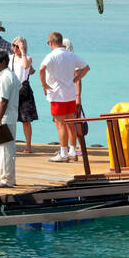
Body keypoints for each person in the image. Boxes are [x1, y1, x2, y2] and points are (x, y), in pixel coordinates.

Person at [39, 32, 89, 163]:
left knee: (60, 125)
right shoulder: (71, 55)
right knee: (70, 124)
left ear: (51, 43)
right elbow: (86, 67)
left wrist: (44, 84)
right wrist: (77, 78)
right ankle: (72, 151)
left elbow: (41, 69)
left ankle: (63, 153)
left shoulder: (51, 56)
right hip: (70, 94)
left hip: (57, 95)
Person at [0, 49, 20, 187]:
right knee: (4, 149)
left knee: (5, 151)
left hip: (4, 119)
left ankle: (7, 179)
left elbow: (4, 100)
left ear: (3, 63)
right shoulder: (11, 75)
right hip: (9, 117)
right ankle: (8, 178)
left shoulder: (6, 77)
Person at [10, 36, 39, 153]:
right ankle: (10, 143)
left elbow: (26, 66)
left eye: (18, 46)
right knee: (10, 119)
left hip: (24, 89)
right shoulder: (10, 58)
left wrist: (23, 52)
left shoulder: (27, 58)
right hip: (12, 89)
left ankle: (28, 145)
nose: (15, 48)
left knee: (25, 120)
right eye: (14, 46)